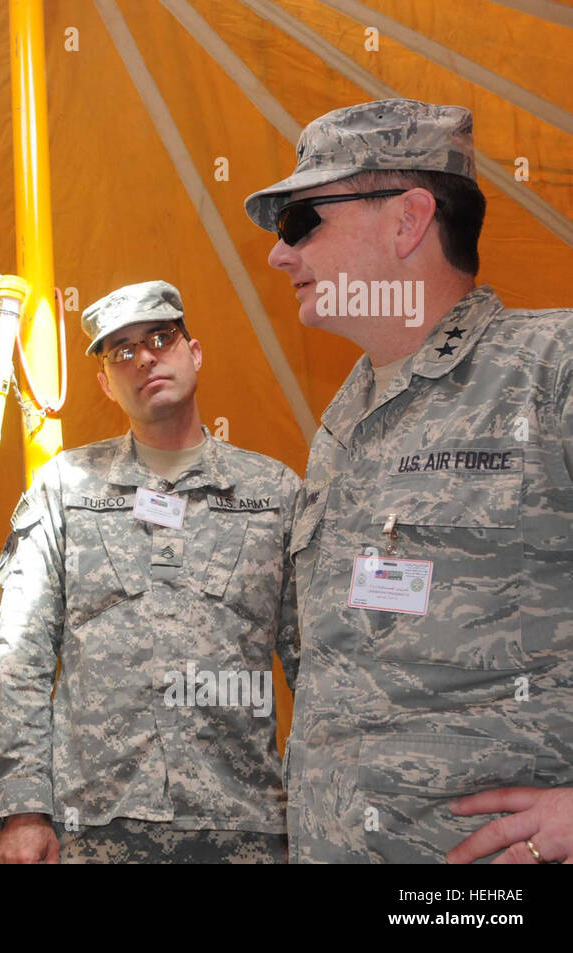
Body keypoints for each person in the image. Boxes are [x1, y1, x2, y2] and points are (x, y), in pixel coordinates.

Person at [244, 99, 573, 864]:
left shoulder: (549, 370)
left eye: (301, 222)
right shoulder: (343, 425)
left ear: (408, 219)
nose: (279, 255)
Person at [0, 280, 301, 863]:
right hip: (99, 829)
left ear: (194, 352)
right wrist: (25, 810)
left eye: (160, 338)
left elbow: (318, 666)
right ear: (106, 382)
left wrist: (317, 808)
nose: (145, 357)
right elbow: (21, 657)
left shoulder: (273, 493)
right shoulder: (65, 490)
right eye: (121, 351)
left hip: (242, 829)